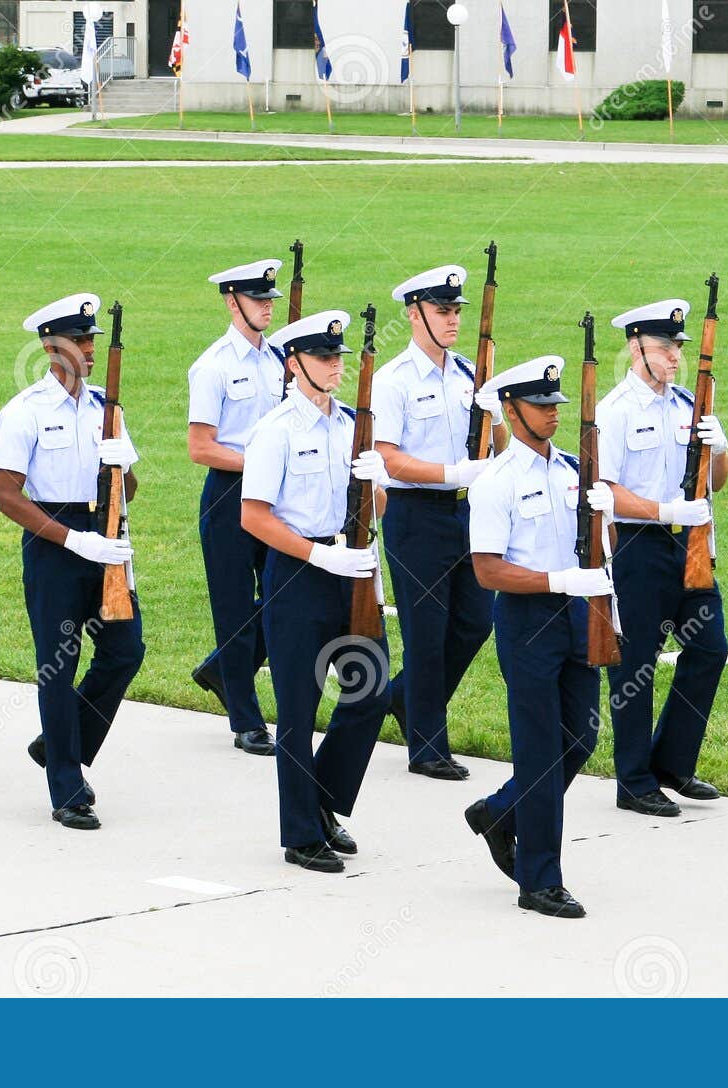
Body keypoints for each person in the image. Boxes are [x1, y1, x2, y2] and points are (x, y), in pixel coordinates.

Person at [241, 310, 392, 874]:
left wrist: (378, 485)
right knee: (300, 711)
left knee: (371, 693)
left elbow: (374, 509)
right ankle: (301, 834)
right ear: (294, 364)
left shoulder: (353, 425)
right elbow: (253, 516)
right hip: (300, 574)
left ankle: (322, 800)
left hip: (352, 567)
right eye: (324, 358)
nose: (335, 367)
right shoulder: (276, 431)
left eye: (338, 358)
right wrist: (317, 553)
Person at [464, 357, 614, 919]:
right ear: (511, 410)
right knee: (539, 747)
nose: (552, 415)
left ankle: (502, 812)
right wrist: (558, 580)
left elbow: (604, 546)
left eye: (555, 406)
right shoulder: (497, 483)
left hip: (578, 615)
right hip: (528, 622)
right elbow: (487, 570)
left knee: (580, 738)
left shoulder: (576, 470)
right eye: (540, 406)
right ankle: (539, 880)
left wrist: (607, 517)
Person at [0, 293, 145, 831]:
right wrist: (72, 541)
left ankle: (61, 741)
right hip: (55, 543)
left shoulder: (108, 407)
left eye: (92, 340)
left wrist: (121, 465)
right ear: (53, 347)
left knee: (126, 651)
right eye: (80, 341)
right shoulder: (26, 412)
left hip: (107, 534)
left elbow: (130, 488)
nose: (89, 348)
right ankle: (66, 787)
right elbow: (8, 495)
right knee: (58, 665)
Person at [372, 264, 509, 781]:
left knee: (476, 621)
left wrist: (495, 420)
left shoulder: (472, 374)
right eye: (441, 310)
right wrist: (454, 471)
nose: (452, 320)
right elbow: (387, 458)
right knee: (426, 632)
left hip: (468, 513)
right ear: (414, 315)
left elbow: (496, 450)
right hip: (416, 516)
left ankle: (407, 699)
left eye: (456, 311)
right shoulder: (394, 381)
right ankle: (427, 746)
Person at [595, 300, 728, 817]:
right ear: (636, 347)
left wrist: (719, 450)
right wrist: (664, 508)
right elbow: (604, 488)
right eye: (665, 347)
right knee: (636, 663)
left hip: (690, 547)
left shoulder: (686, 405)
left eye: (678, 347)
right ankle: (632, 779)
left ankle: (672, 763)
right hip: (637, 547)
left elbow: (715, 483)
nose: (675, 356)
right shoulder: (615, 411)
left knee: (710, 648)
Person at [187, 259, 287, 756]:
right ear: (232, 302)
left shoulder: (282, 359)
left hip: (274, 498)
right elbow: (201, 447)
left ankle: (221, 669)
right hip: (229, 495)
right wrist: (259, 461)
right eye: (257, 299)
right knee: (232, 607)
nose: (267, 306)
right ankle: (245, 720)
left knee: (283, 594)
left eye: (270, 299)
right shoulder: (213, 366)